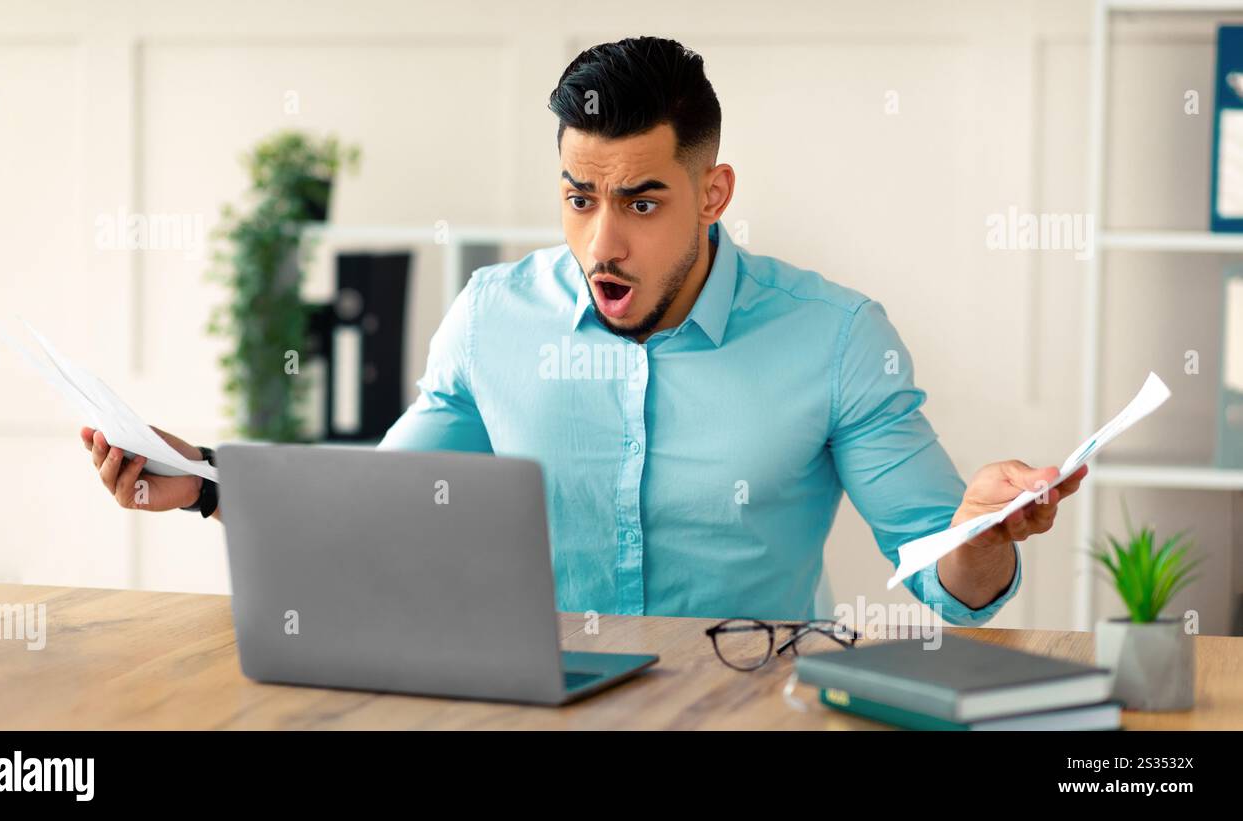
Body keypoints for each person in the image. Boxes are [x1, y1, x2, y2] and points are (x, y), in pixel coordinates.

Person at [81, 36, 1086, 624]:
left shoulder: (834, 337)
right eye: (576, 198)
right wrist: (206, 481)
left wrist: (982, 529)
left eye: (642, 202)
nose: (600, 242)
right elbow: (380, 503)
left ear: (712, 191)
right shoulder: (492, 318)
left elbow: (951, 580)